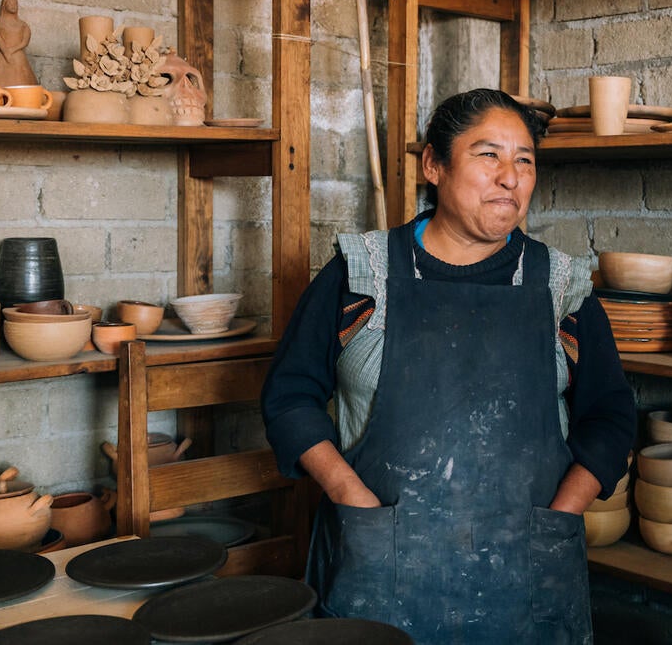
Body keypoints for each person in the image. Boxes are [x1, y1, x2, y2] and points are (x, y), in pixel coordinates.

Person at [261, 88, 635, 644]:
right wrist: (350, 496)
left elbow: (610, 417)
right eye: (488, 155)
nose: (510, 178)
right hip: (381, 563)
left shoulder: (561, 288)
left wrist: (562, 514)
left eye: (525, 161)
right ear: (434, 165)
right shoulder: (361, 277)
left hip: (527, 573)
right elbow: (290, 396)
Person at [0, 0, 38, 88]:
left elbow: (24, 42)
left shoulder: (23, 25)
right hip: (1, 56)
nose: (13, 5)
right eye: (10, 3)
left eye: (15, 3)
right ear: (4, 5)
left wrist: (12, 50)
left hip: (18, 57)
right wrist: (5, 51)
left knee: (22, 84)